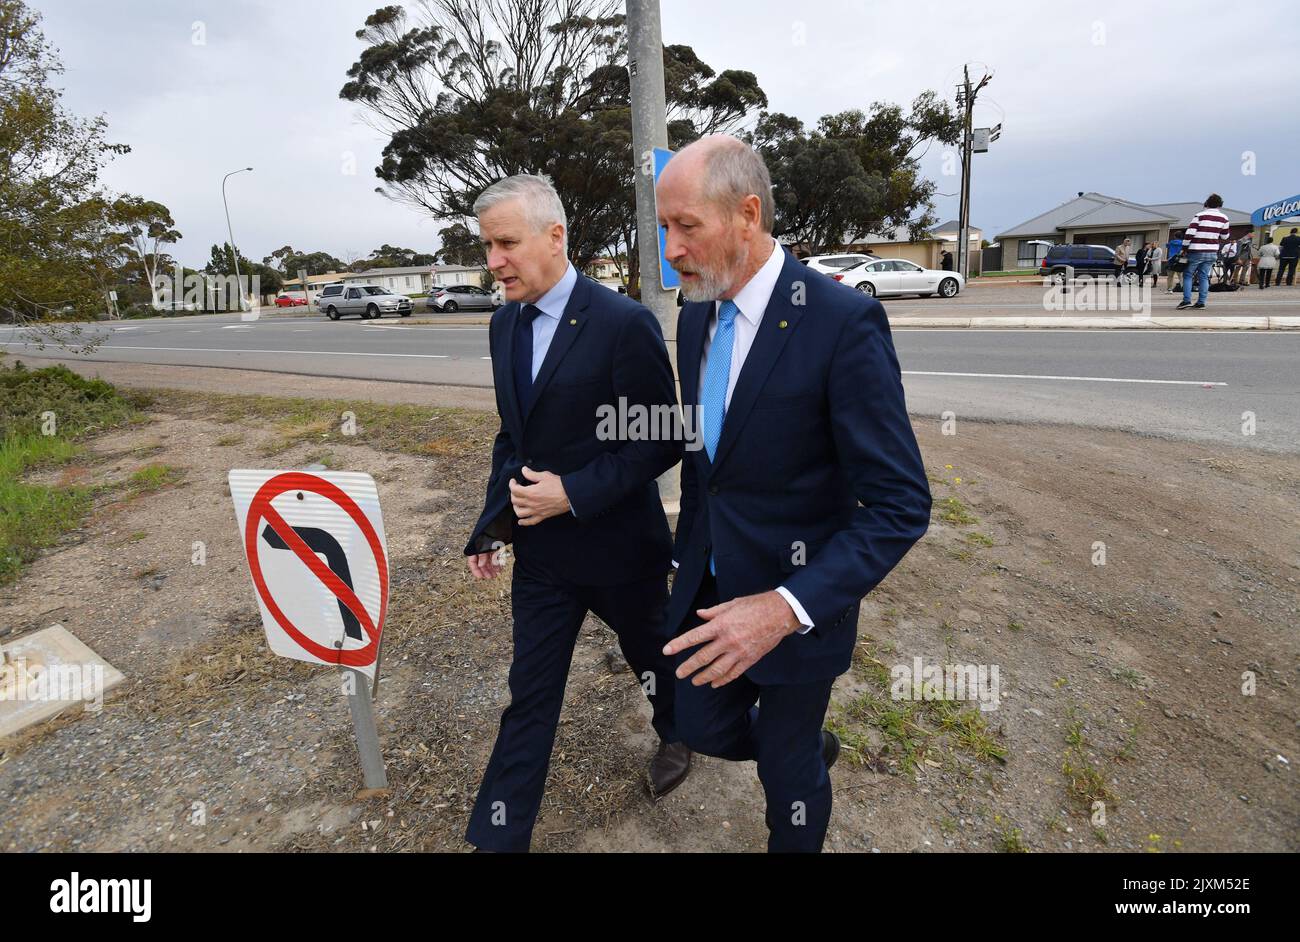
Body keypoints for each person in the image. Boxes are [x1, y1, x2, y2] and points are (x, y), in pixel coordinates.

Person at [655, 135, 931, 853]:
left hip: (800, 606)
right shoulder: (694, 315)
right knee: (697, 723)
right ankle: (808, 748)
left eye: (687, 227)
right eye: (663, 229)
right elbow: (710, 460)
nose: (672, 249)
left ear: (747, 214)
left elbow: (901, 505)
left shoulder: (841, 323)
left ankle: (799, 766)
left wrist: (785, 609)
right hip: (711, 583)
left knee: (786, 776)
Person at [462, 174, 689, 852]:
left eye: (506, 243)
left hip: (623, 554)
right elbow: (515, 439)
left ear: (555, 237)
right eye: (488, 246)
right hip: (544, 560)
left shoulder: (623, 324)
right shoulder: (504, 325)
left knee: (654, 657)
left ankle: (680, 733)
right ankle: (498, 837)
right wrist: (491, 526)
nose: (493, 260)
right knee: (529, 695)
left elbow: (662, 438)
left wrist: (575, 491)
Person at [1179, 194, 1231, 309]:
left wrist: (1184, 248)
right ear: (1220, 205)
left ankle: (1186, 300)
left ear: (1206, 203)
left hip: (1196, 250)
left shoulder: (1199, 216)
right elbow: (1225, 236)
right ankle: (1201, 302)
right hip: (1212, 251)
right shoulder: (1224, 218)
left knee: (1188, 275)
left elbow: (1190, 233)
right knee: (1203, 276)